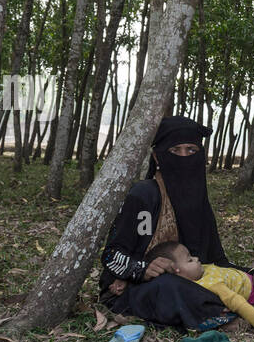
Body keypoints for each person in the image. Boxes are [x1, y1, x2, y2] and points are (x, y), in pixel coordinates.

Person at [100, 115, 238, 331]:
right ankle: (228, 315)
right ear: (157, 156)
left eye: (191, 150)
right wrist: (141, 269)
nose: (184, 157)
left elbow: (217, 261)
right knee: (169, 287)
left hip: (193, 280)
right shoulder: (144, 195)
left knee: (238, 279)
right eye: (175, 151)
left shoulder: (199, 203)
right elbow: (111, 255)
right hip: (133, 290)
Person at [147, 241, 254, 333]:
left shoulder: (201, 271)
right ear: (177, 272)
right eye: (189, 260)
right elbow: (238, 304)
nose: (196, 258)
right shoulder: (208, 285)